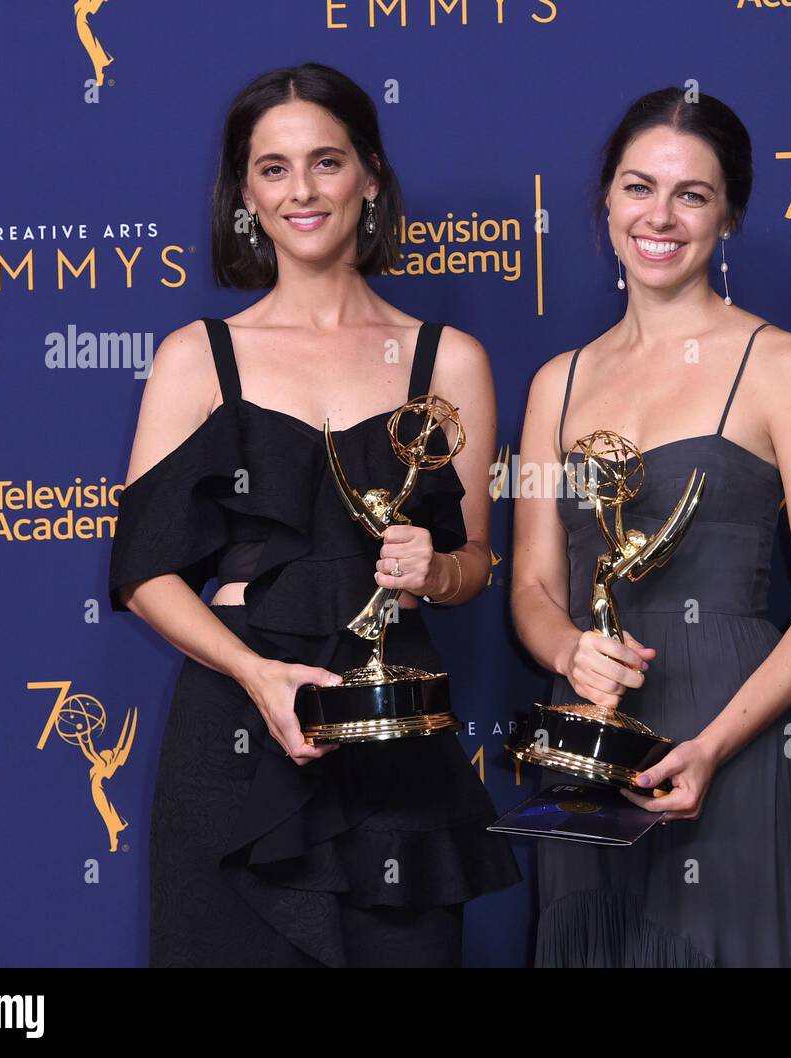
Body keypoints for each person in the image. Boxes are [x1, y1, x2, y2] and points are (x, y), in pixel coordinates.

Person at [107, 63, 519, 968]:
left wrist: (437, 568)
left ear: (369, 176)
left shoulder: (448, 363)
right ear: (244, 193)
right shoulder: (196, 358)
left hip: (392, 730)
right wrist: (258, 674)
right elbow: (143, 573)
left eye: (326, 162)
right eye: (273, 168)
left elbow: (475, 562)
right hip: (236, 730)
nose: (302, 191)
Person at [510, 87, 791, 967]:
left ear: (730, 215)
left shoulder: (781, 364)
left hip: (733, 733)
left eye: (691, 194)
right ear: (605, 200)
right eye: (638, 187)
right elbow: (532, 588)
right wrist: (566, 652)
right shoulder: (555, 383)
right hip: (592, 737)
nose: (658, 216)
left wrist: (711, 747)